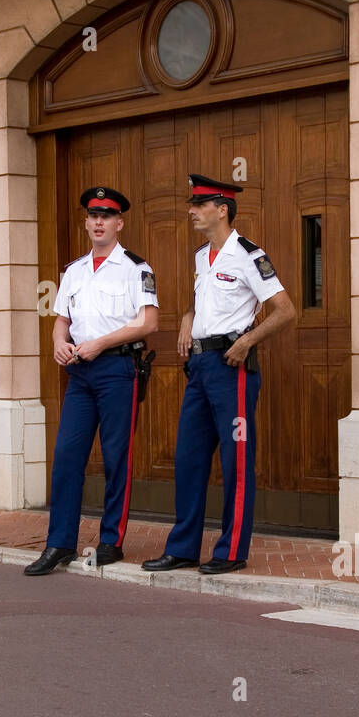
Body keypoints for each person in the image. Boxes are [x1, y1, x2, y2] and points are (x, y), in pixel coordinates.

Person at [143, 174, 295, 575]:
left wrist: (247, 343)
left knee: (236, 460)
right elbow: (199, 301)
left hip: (233, 367)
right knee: (188, 459)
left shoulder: (248, 255)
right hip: (199, 367)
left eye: (199, 205)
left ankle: (231, 550)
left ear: (221, 209)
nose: (191, 211)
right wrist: (186, 321)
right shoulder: (201, 256)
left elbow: (284, 310)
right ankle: (183, 548)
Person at [24, 186, 160, 576]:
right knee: (67, 456)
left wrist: (101, 342)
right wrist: (57, 344)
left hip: (118, 370)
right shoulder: (73, 272)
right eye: (92, 215)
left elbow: (149, 322)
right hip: (80, 373)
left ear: (119, 223)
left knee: (117, 458)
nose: (98, 221)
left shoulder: (137, 268)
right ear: (86, 222)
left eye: (106, 215)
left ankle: (110, 541)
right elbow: (61, 321)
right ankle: (59, 543)